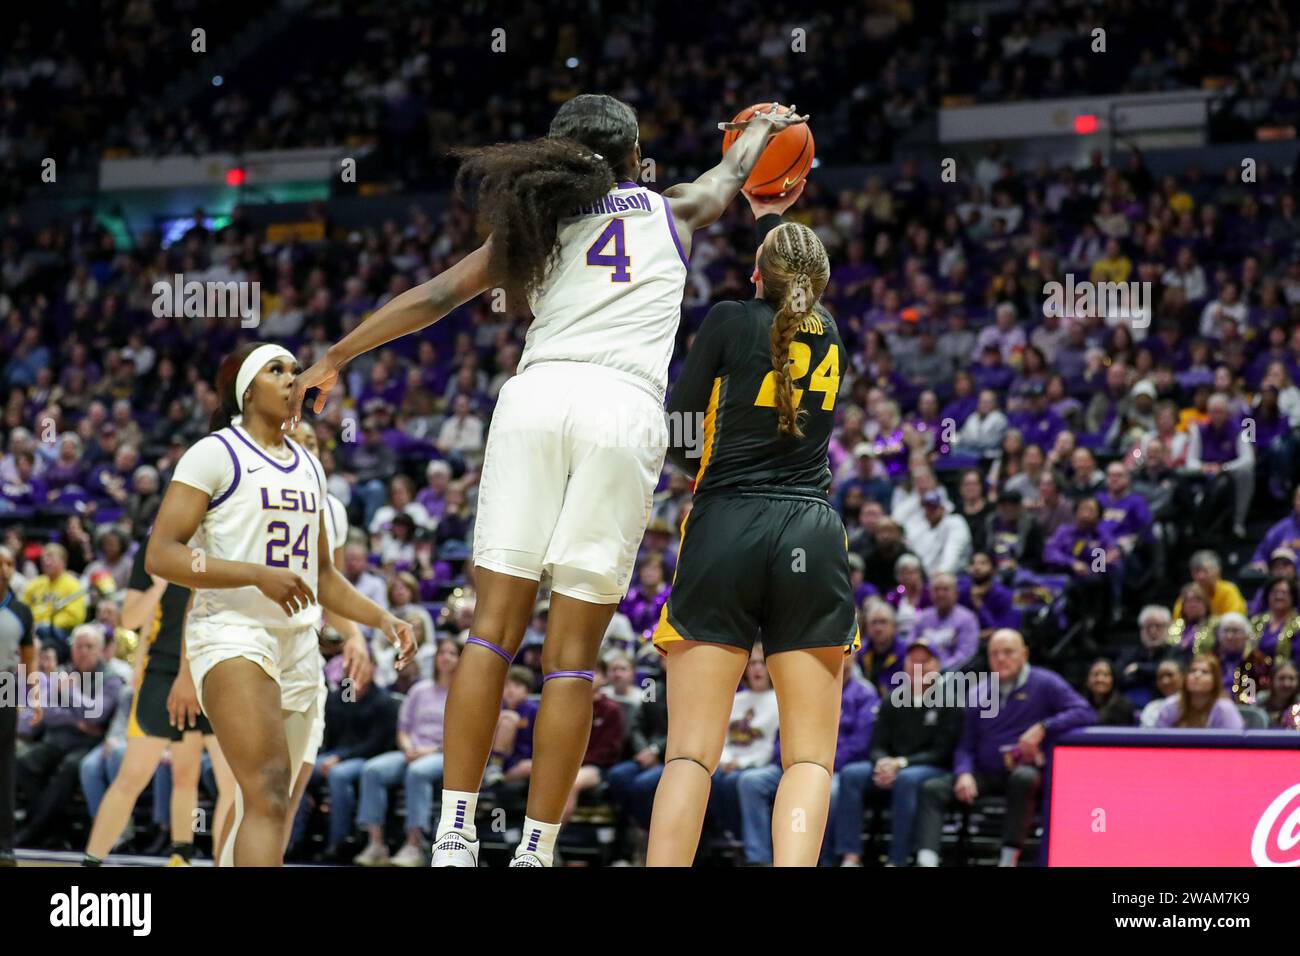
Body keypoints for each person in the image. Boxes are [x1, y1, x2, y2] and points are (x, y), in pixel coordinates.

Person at [292, 94, 808, 868]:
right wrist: (765, 128)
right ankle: (536, 848)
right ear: (636, 155)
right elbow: (731, 173)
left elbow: (435, 297)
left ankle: (456, 834)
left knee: (488, 634)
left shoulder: (538, 225)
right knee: (571, 658)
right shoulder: (675, 209)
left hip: (536, 400)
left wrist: (335, 356)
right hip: (621, 411)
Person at [645, 197, 859, 868]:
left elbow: (679, 426)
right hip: (811, 535)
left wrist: (696, 465)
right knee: (809, 759)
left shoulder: (728, 319)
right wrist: (770, 213)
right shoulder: (832, 336)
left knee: (690, 753)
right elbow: (784, 295)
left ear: (755, 276)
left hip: (726, 528)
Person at [146, 342, 413, 866]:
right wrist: (253, 575)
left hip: (298, 644)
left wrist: (381, 619)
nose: (293, 377)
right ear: (248, 391)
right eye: (277, 369)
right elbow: (161, 553)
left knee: (276, 803)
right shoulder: (215, 453)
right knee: (267, 788)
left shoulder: (311, 467)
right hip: (231, 629)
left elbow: (324, 576)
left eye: (295, 369)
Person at [80, 535, 236, 867]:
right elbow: (131, 619)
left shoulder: (228, 536)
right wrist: (158, 587)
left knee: (222, 783)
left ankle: (189, 855)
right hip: (162, 674)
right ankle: (91, 862)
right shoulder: (155, 548)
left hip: (216, 669)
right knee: (133, 776)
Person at [913, 629, 1096, 868]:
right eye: (994, 654)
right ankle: (926, 861)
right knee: (932, 789)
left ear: (1024, 654)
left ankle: (1007, 860)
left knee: (1023, 779)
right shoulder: (977, 692)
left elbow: (1085, 712)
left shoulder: (1046, 683)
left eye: (1008, 652)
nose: (1001, 659)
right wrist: (964, 773)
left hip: (1025, 770)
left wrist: (1044, 727)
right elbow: (965, 746)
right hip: (986, 772)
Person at [835, 641, 959, 867]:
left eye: (925, 661)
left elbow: (942, 752)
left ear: (938, 666)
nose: (918, 666)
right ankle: (850, 855)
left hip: (930, 769)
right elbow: (876, 745)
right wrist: (883, 762)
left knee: (906, 779)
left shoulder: (950, 700)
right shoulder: (892, 699)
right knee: (851, 774)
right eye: (913, 661)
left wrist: (900, 764)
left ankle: (897, 859)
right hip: (891, 767)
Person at [15, 625, 126, 848]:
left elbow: (97, 715)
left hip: (88, 744)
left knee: (67, 770)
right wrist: (78, 720)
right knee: (23, 764)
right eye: (78, 646)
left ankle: (35, 829)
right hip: (55, 740)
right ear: (72, 648)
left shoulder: (112, 679)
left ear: (101, 650)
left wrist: (69, 692)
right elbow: (46, 712)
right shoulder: (62, 672)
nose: (83, 651)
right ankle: (54, 829)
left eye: (89, 646)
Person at [354, 637, 460, 867]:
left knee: (418, 772)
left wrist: (429, 750)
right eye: (443, 652)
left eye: (452, 653)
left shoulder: (464, 693)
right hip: (411, 750)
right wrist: (408, 747)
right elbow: (403, 728)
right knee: (372, 770)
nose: (446, 657)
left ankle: (414, 844)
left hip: (444, 754)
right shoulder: (420, 690)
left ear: (461, 660)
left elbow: (464, 737)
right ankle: (376, 844)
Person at [0, 546, 36, 866]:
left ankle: (5, 845)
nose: (5, 568)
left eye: (10, 563)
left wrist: (32, 697)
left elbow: (28, 661)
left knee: (5, 766)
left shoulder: (22, 611)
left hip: (6, 686)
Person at [1153, 654, 1245, 729]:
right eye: (1192, 671)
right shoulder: (1170, 706)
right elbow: (1157, 742)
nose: (1197, 675)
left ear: (1215, 681)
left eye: (1205, 672)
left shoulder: (1225, 709)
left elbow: (1235, 746)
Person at [1083, 659, 1136, 726]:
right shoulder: (1080, 704)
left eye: (1105, 675)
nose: (1100, 679)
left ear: (1112, 680)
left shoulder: (1124, 707)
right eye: (1095, 674)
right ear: (1087, 680)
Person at [1139, 659, 1185, 727]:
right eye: (1160, 677)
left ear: (1183, 677)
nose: (1165, 681)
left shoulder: (1195, 705)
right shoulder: (1152, 708)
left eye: (1170, 675)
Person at [1257, 660, 1300, 730]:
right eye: (1281, 678)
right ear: (1272, 680)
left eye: (1291, 679)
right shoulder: (1261, 700)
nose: (1286, 684)